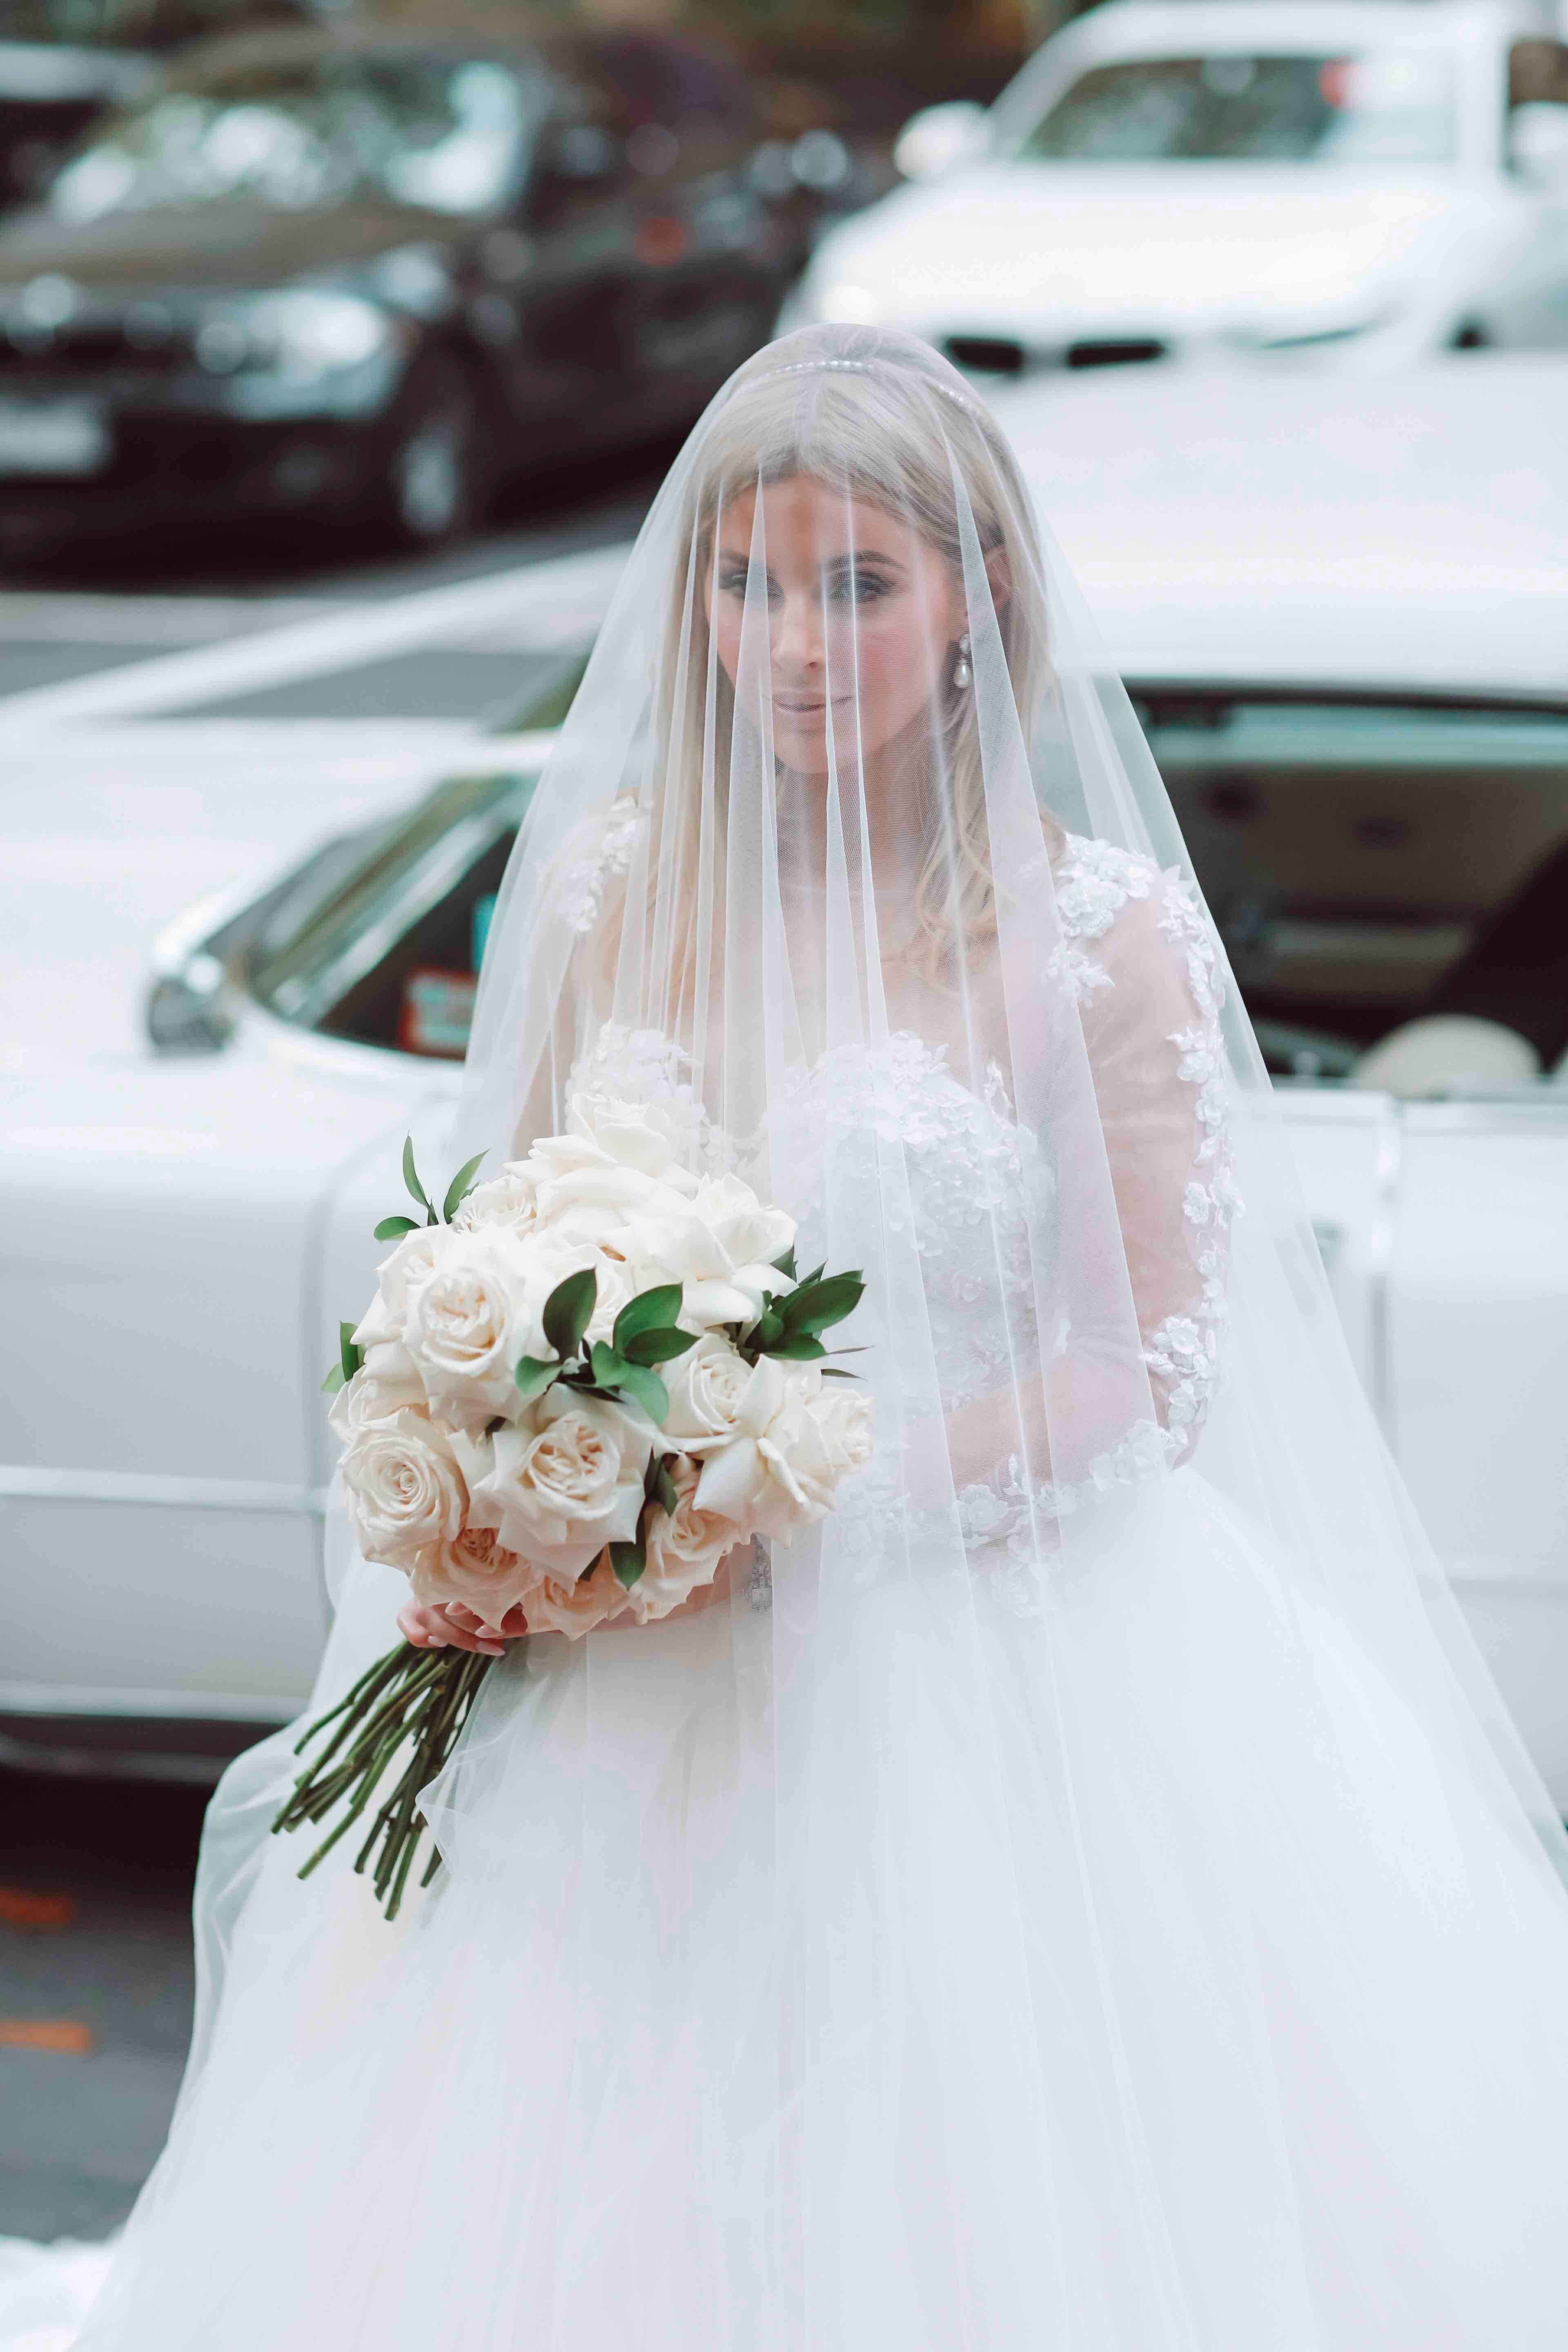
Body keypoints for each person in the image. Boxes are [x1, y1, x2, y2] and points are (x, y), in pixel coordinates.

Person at [43, 325, 1568, 2350]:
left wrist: (778, 1508)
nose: (792, 642)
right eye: (744, 585)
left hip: (1002, 1691)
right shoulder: (604, 890)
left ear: (977, 605)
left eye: (856, 583)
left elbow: (1146, 1374)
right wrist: (520, 1476)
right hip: (624, 1693)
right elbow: (511, 1243)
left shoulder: (1093, 938)